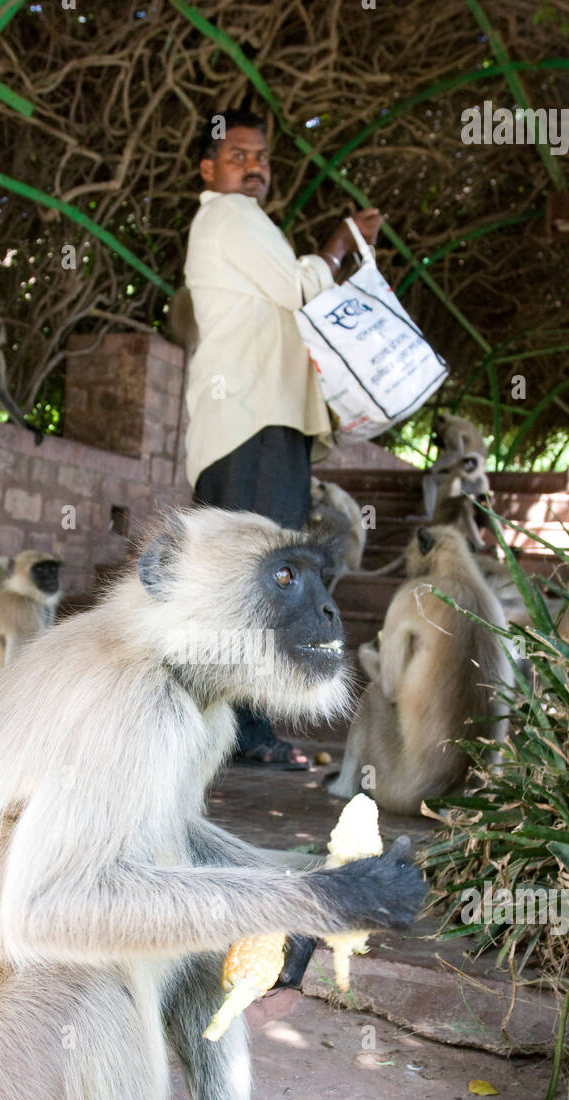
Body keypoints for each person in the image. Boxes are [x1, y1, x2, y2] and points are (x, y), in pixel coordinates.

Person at [184, 106, 383, 768]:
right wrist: (341, 240)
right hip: (253, 422)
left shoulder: (236, 224)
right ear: (208, 170)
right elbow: (298, 287)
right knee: (265, 577)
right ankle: (248, 733)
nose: (255, 167)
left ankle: (241, 730)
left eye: (263, 157)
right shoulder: (230, 216)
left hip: (255, 421)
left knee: (255, 576)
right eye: (239, 155)